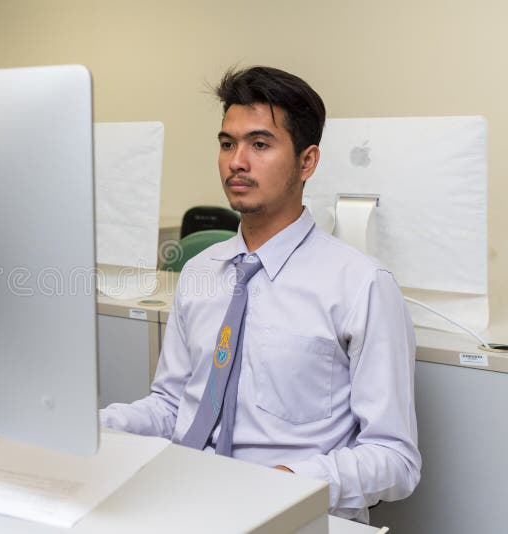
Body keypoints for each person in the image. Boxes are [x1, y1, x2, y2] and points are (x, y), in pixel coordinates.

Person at [100, 66, 421, 522]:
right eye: (227, 143)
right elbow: (173, 407)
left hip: (291, 514)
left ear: (307, 161)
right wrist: (97, 427)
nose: (237, 161)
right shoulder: (199, 272)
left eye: (260, 144)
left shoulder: (360, 284)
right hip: (185, 501)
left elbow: (395, 459)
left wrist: (288, 481)